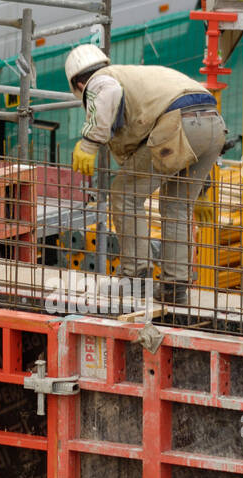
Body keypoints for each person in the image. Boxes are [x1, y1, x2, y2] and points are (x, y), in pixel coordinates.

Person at [66, 45, 227, 305]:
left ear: (79, 84)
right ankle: (175, 288)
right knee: (177, 206)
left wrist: (89, 143)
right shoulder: (137, 78)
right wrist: (203, 190)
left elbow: (107, 93)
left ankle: (134, 280)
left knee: (125, 194)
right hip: (212, 124)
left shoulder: (100, 81)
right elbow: (193, 120)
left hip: (178, 123)